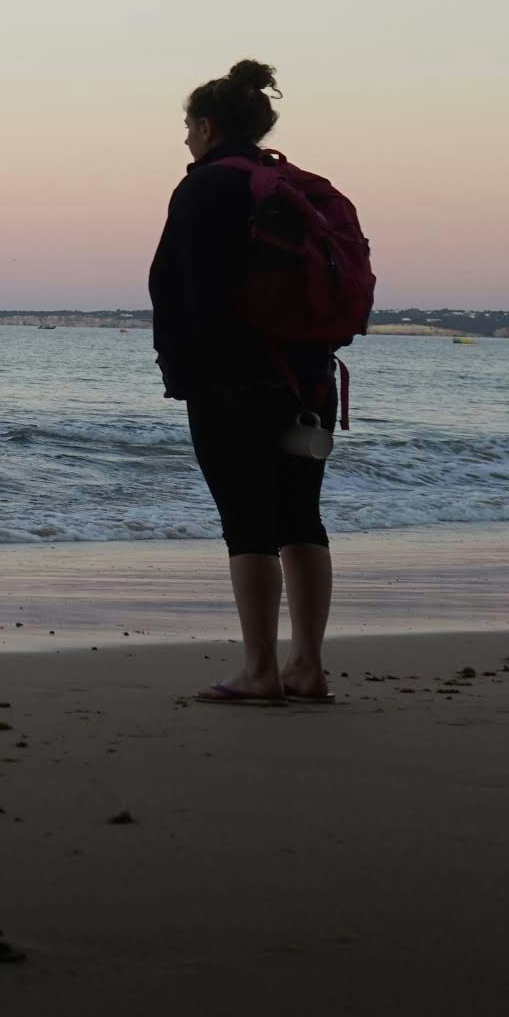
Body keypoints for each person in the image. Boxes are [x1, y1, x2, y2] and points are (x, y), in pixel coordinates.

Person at [148, 59, 344, 703]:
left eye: (186, 127)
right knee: (301, 520)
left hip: (233, 382)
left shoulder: (205, 187)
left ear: (206, 126)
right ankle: (306, 667)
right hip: (310, 378)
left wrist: (181, 373)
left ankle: (260, 672)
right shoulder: (293, 183)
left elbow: (180, 289)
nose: (183, 140)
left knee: (246, 524)